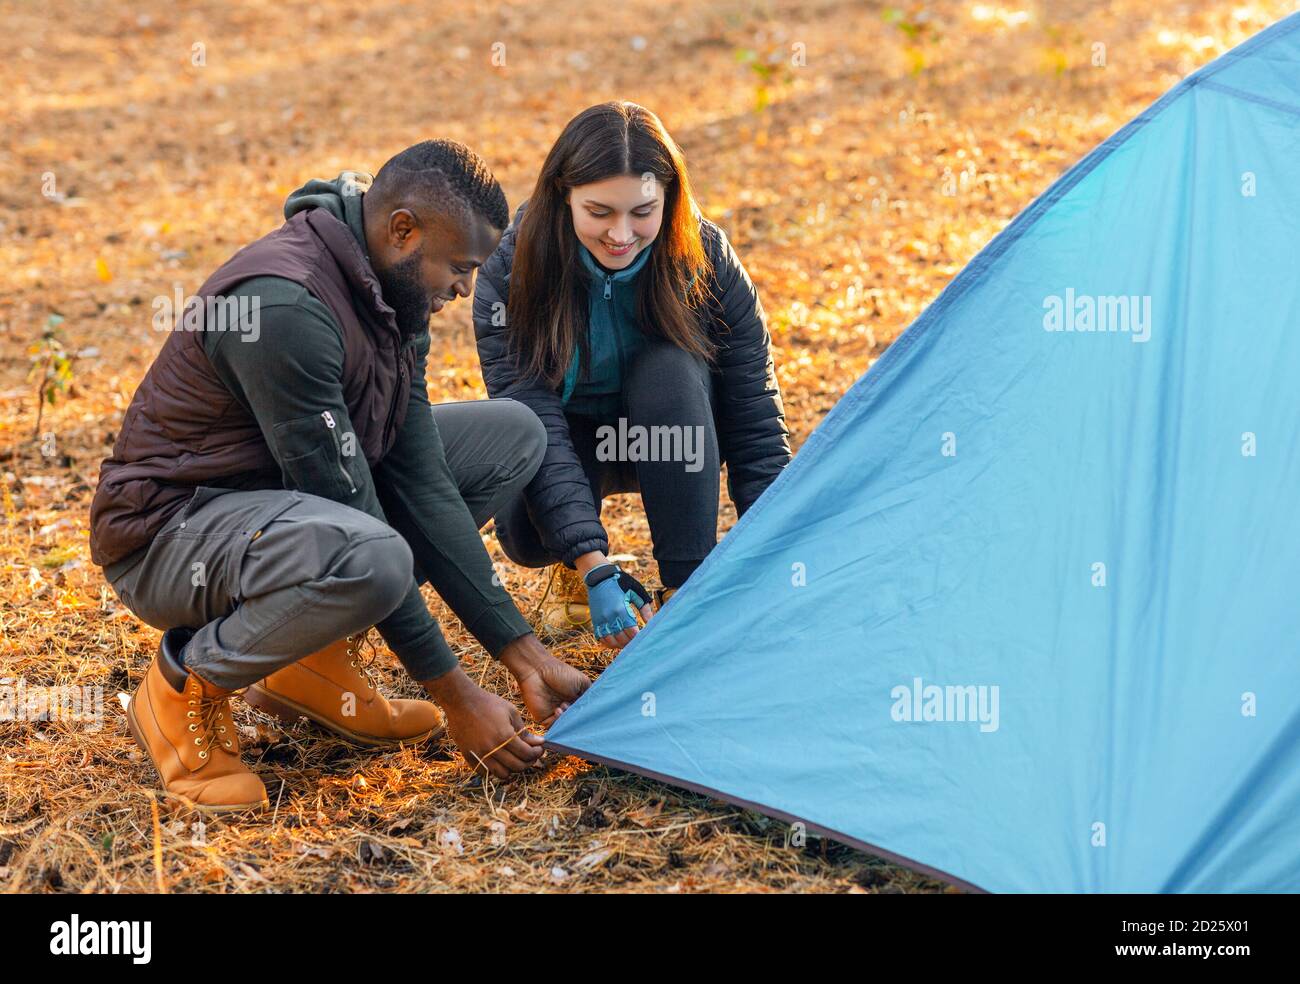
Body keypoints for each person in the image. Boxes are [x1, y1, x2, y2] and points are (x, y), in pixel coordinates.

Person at [89, 140, 591, 812]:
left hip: (279, 514)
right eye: (460, 268)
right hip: (170, 536)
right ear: (402, 230)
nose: (465, 289)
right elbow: (351, 504)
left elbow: (421, 478)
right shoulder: (284, 308)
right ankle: (184, 686)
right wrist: (456, 697)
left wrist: (523, 655)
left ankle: (313, 663)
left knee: (510, 437)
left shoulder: (396, 292)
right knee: (373, 556)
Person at [473, 102, 791, 648]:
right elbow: (534, 420)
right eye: (599, 211)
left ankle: (685, 588)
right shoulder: (513, 270)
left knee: (668, 368)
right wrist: (592, 563)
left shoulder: (705, 257)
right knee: (527, 536)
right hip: (571, 440)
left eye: (643, 211)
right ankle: (570, 573)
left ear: (669, 199)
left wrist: (781, 549)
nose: (621, 234)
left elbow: (753, 414)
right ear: (562, 196)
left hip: (674, 432)